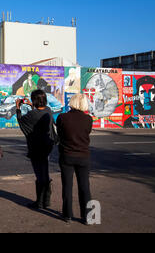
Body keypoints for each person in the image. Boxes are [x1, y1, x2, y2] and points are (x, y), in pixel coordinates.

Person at [16, 90, 57, 209]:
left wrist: (18, 107)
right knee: (45, 171)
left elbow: (21, 121)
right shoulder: (48, 110)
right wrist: (31, 105)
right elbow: (40, 110)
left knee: (39, 174)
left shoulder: (32, 114)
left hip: (36, 147)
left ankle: (39, 202)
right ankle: (46, 201)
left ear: (34, 100)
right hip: (47, 145)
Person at [56, 94, 93, 224]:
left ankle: (67, 215)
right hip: (83, 156)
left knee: (67, 186)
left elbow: (60, 135)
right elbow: (86, 133)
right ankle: (88, 217)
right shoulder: (88, 119)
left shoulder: (62, 117)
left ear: (71, 102)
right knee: (84, 187)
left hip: (67, 155)